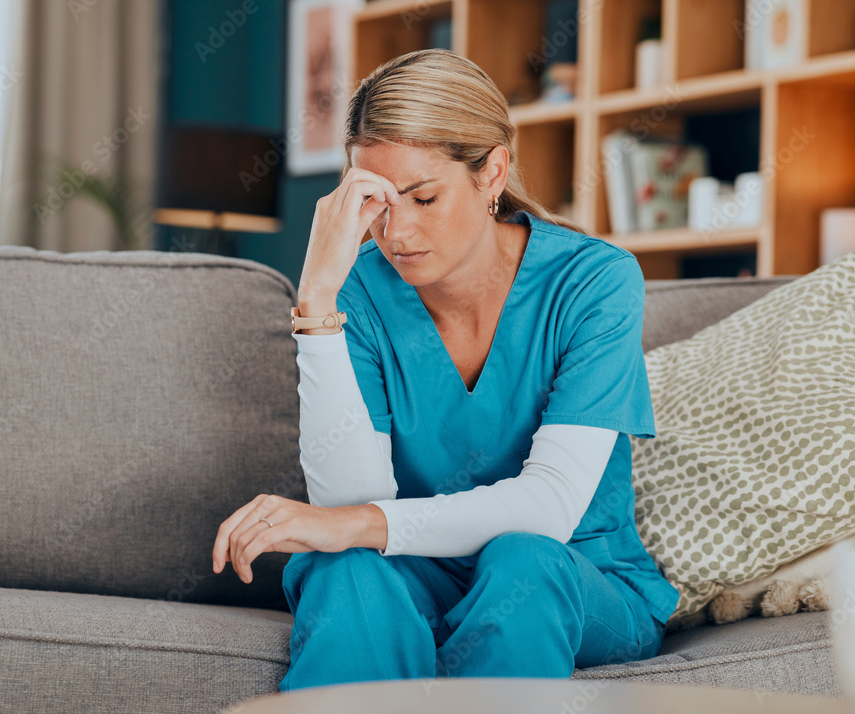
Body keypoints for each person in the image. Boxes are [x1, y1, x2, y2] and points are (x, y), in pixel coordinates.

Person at [211, 48, 680, 691]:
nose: (396, 232)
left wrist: (356, 525)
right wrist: (318, 301)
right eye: (375, 202)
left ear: (492, 172)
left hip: (573, 574)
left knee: (522, 559)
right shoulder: (359, 292)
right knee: (343, 566)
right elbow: (348, 503)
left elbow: (546, 509)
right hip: (418, 570)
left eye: (423, 197)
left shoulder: (594, 282)